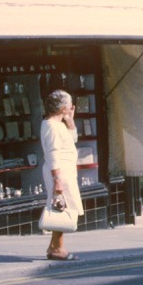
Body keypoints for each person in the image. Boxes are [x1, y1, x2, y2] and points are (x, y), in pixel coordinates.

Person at [41, 89, 82, 261]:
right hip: (59, 173)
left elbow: (73, 139)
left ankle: (53, 247)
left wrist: (70, 121)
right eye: (69, 104)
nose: (72, 107)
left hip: (65, 171)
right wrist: (57, 180)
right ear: (62, 107)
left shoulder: (58, 124)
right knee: (61, 207)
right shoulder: (51, 125)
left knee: (62, 207)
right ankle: (58, 248)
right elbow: (52, 153)